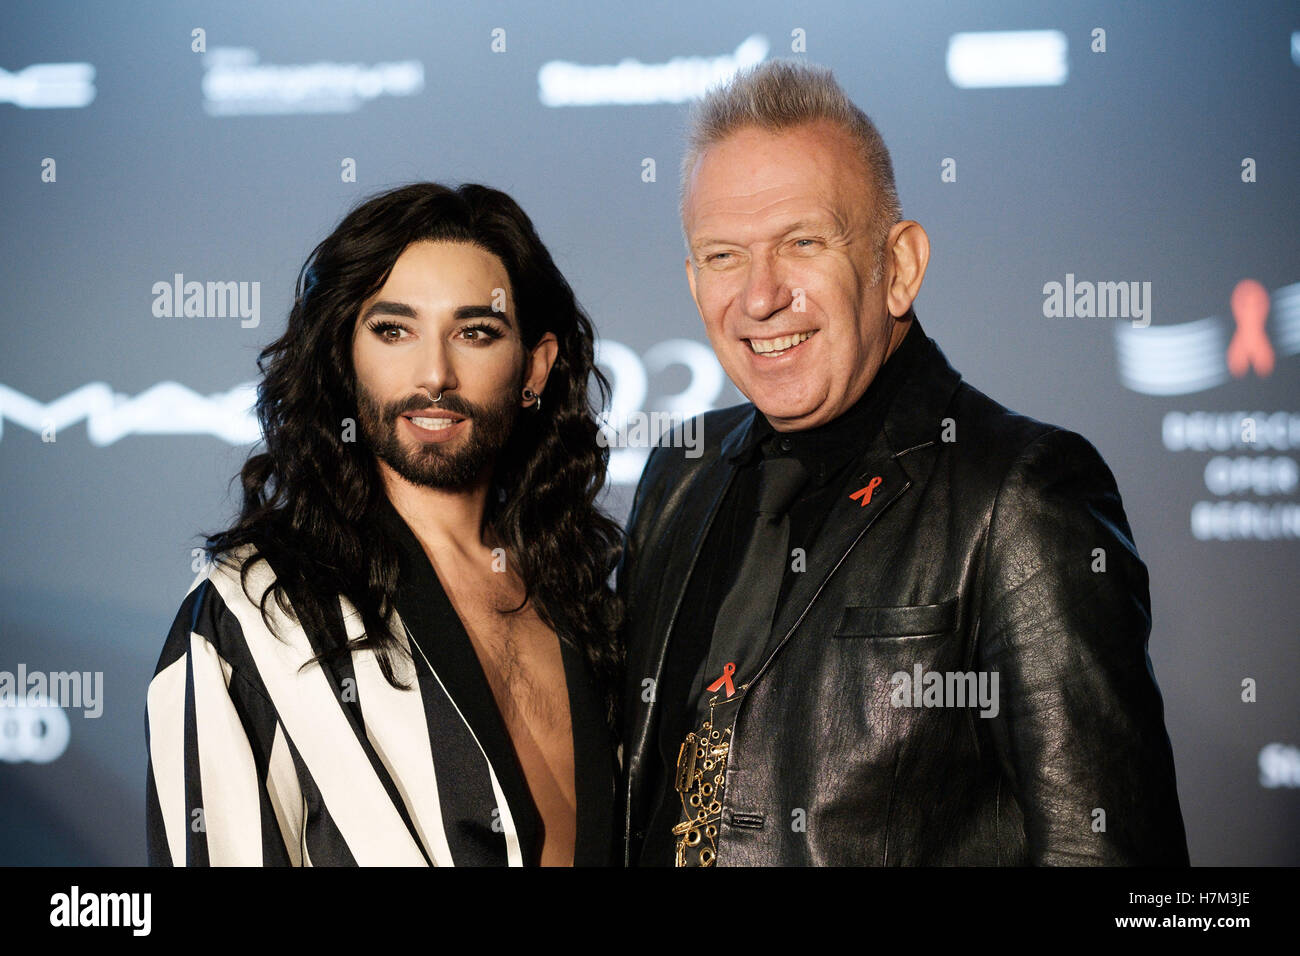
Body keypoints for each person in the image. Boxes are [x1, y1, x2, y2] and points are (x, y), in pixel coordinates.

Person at [618, 61, 1189, 866]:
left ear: (902, 267)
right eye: (722, 256)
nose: (758, 297)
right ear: (692, 278)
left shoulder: (1020, 494)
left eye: (803, 242)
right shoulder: (680, 476)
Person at [145, 182, 623, 866]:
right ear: (345, 355)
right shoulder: (252, 614)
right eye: (393, 330)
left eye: (476, 331)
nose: (435, 374)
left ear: (535, 367)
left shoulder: (582, 596)